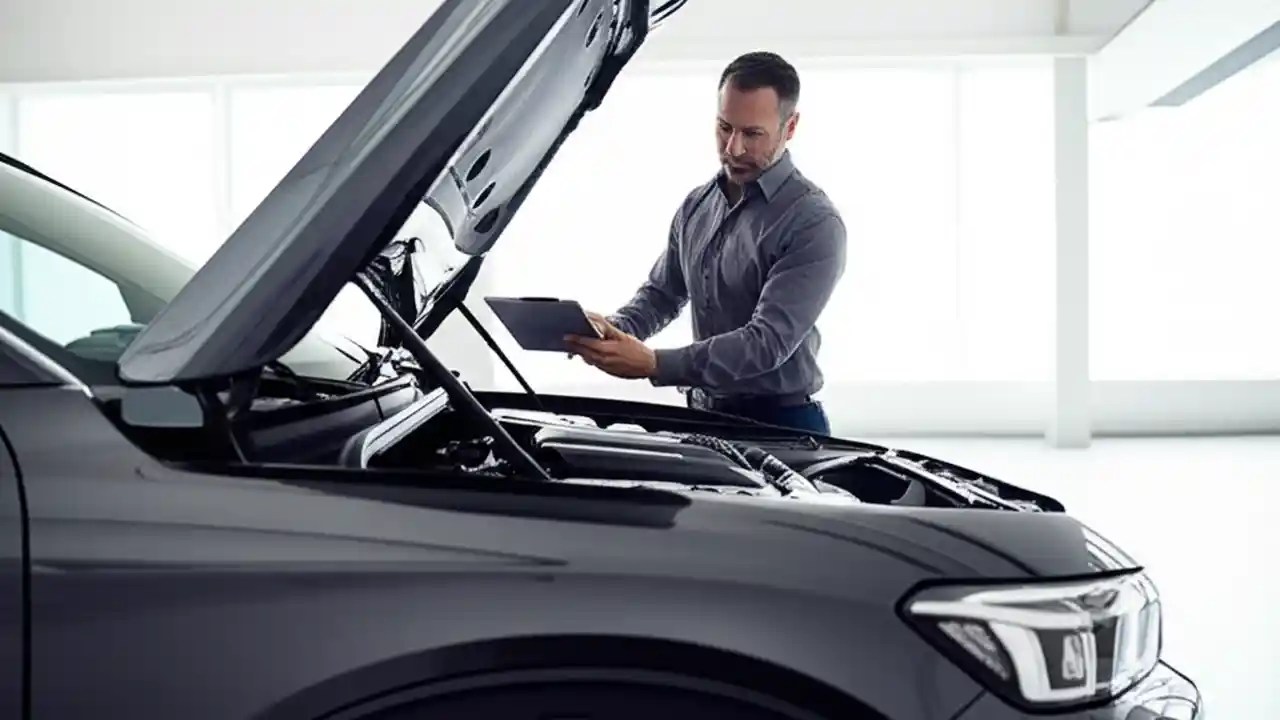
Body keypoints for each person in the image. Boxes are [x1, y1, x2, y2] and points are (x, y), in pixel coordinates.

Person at [565, 51, 846, 435]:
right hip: (702, 416)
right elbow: (663, 294)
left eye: (752, 134)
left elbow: (766, 343)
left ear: (790, 126)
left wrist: (653, 363)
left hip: (782, 428)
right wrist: (610, 331)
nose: (733, 148)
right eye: (724, 128)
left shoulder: (813, 222)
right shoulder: (698, 205)